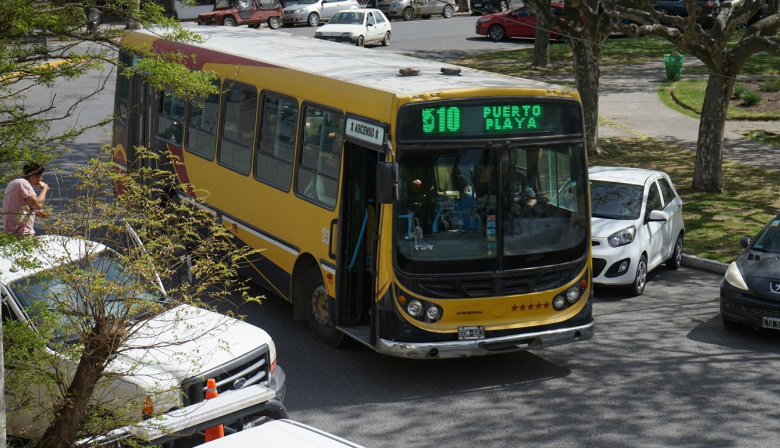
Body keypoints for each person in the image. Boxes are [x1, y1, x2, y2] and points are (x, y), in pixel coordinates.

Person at [3, 162, 50, 236]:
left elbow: (16, 207)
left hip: (10, 231)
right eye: (41, 176)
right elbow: (38, 205)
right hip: (21, 232)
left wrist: (36, 212)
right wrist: (44, 189)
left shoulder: (14, 183)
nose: (41, 179)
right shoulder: (23, 183)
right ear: (33, 177)